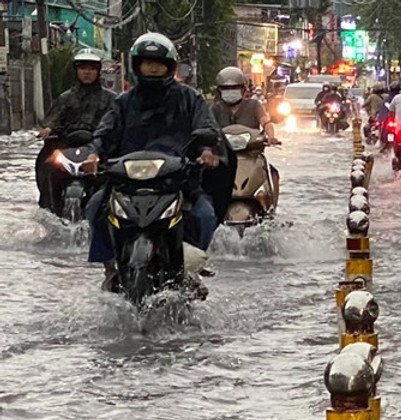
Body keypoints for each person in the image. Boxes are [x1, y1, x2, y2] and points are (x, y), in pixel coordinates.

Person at [81, 32, 227, 291]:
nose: (152, 67)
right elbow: (105, 132)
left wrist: (207, 150)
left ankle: (191, 268)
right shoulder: (123, 102)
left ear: (170, 67)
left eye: (158, 63)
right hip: (127, 181)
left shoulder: (189, 98)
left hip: (176, 180)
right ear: (137, 65)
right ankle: (110, 268)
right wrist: (94, 154)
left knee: (204, 215)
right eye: (147, 62)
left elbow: (207, 128)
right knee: (94, 207)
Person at [36, 48, 116, 208]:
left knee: (115, 170)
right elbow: (53, 118)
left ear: (98, 72)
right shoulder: (66, 97)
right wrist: (48, 129)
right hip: (67, 145)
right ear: (77, 71)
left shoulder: (110, 98)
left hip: (98, 147)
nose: (87, 72)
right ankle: (48, 207)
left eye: (91, 69)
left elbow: (117, 122)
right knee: (46, 165)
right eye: (83, 68)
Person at [211, 66, 277, 144]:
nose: (230, 91)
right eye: (225, 88)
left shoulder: (254, 105)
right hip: (223, 152)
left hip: (252, 151)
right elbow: (206, 128)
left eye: (235, 88)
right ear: (219, 90)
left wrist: (271, 136)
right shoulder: (215, 109)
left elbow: (265, 122)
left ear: (243, 89)